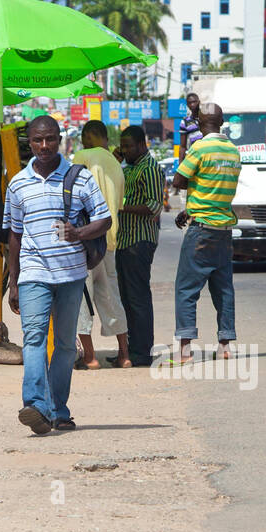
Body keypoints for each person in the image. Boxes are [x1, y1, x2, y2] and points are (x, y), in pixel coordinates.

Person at [3, 115, 110, 435]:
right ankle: (36, 405)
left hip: (72, 274)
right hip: (33, 272)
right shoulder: (18, 183)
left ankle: (58, 410)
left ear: (60, 139)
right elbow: (14, 236)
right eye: (38, 140)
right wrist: (12, 282)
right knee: (34, 339)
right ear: (30, 143)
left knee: (64, 345)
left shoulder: (81, 178)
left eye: (50, 139)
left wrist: (78, 233)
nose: (44, 146)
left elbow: (104, 220)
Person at [172, 102, 241, 365]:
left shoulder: (199, 148)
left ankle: (186, 349)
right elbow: (213, 189)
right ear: (221, 122)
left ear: (199, 124)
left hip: (201, 230)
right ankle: (225, 345)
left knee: (186, 289)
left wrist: (191, 202)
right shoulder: (233, 151)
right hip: (224, 230)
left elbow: (179, 180)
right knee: (223, 289)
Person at [71, 120, 131, 370]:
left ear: (86, 138)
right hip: (109, 241)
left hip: (85, 242)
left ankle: (90, 357)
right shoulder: (116, 165)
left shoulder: (82, 156)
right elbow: (117, 204)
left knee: (80, 299)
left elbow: (70, 195)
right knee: (111, 299)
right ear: (105, 138)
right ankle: (124, 355)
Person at [113, 125, 165, 367]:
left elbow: (154, 206)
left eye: (128, 146)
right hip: (124, 239)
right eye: (122, 146)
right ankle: (131, 349)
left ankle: (143, 352)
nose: (124, 150)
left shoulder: (150, 168)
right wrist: (115, 161)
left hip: (139, 240)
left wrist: (120, 207)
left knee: (138, 298)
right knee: (126, 298)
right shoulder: (129, 167)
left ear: (142, 145)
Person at [177, 92, 202, 158]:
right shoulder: (185, 122)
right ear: (187, 105)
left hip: (209, 154)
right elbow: (182, 146)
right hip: (195, 156)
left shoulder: (206, 117)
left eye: (194, 102)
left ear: (199, 102)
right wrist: (180, 165)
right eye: (190, 103)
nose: (192, 104)